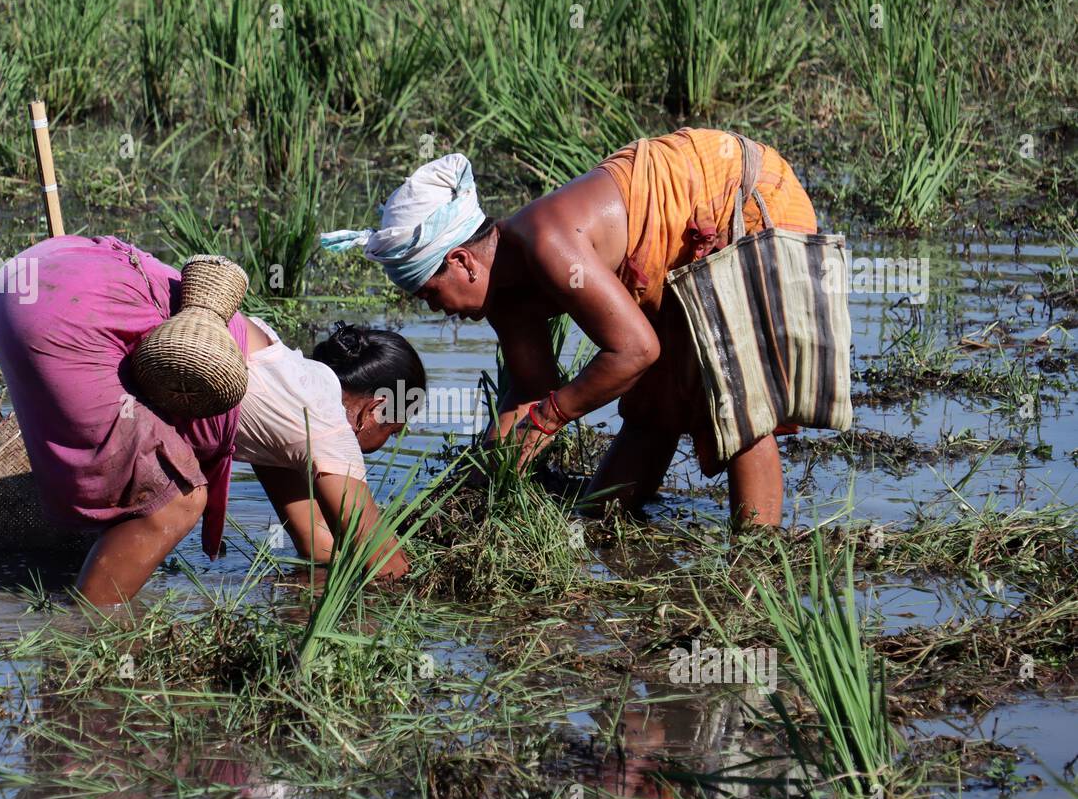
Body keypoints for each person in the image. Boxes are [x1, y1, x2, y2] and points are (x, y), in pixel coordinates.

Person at [322, 129, 822, 526]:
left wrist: (552, 417)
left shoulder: (545, 240)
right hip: (679, 239)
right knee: (654, 406)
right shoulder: (505, 299)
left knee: (738, 403)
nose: (437, 311)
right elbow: (528, 394)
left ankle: (755, 564)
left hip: (742, 198)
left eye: (432, 294)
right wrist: (463, 490)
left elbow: (633, 352)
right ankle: (603, 522)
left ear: (462, 261)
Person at [0, 234, 424, 605]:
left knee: (157, 486)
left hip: (30, 279)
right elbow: (382, 560)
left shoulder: (287, 391)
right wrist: (427, 599)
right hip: (67, 313)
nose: (382, 445)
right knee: (175, 500)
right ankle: (79, 641)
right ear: (376, 411)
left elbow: (319, 550)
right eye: (392, 432)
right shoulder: (325, 422)